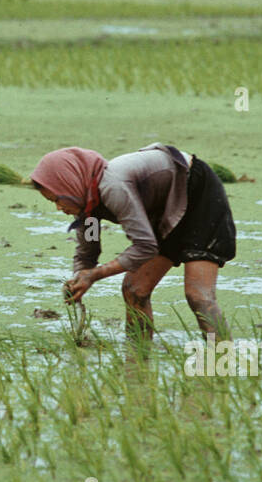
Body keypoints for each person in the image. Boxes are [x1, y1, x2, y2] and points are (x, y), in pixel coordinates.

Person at [30, 143, 235, 341]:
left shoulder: (113, 187)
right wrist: (82, 274)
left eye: (57, 199)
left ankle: (221, 357)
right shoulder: (89, 208)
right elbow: (89, 248)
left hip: (198, 195)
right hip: (164, 211)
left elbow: (145, 246)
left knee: (198, 295)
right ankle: (138, 360)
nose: (58, 208)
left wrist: (96, 274)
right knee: (134, 289)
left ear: (70, 183)